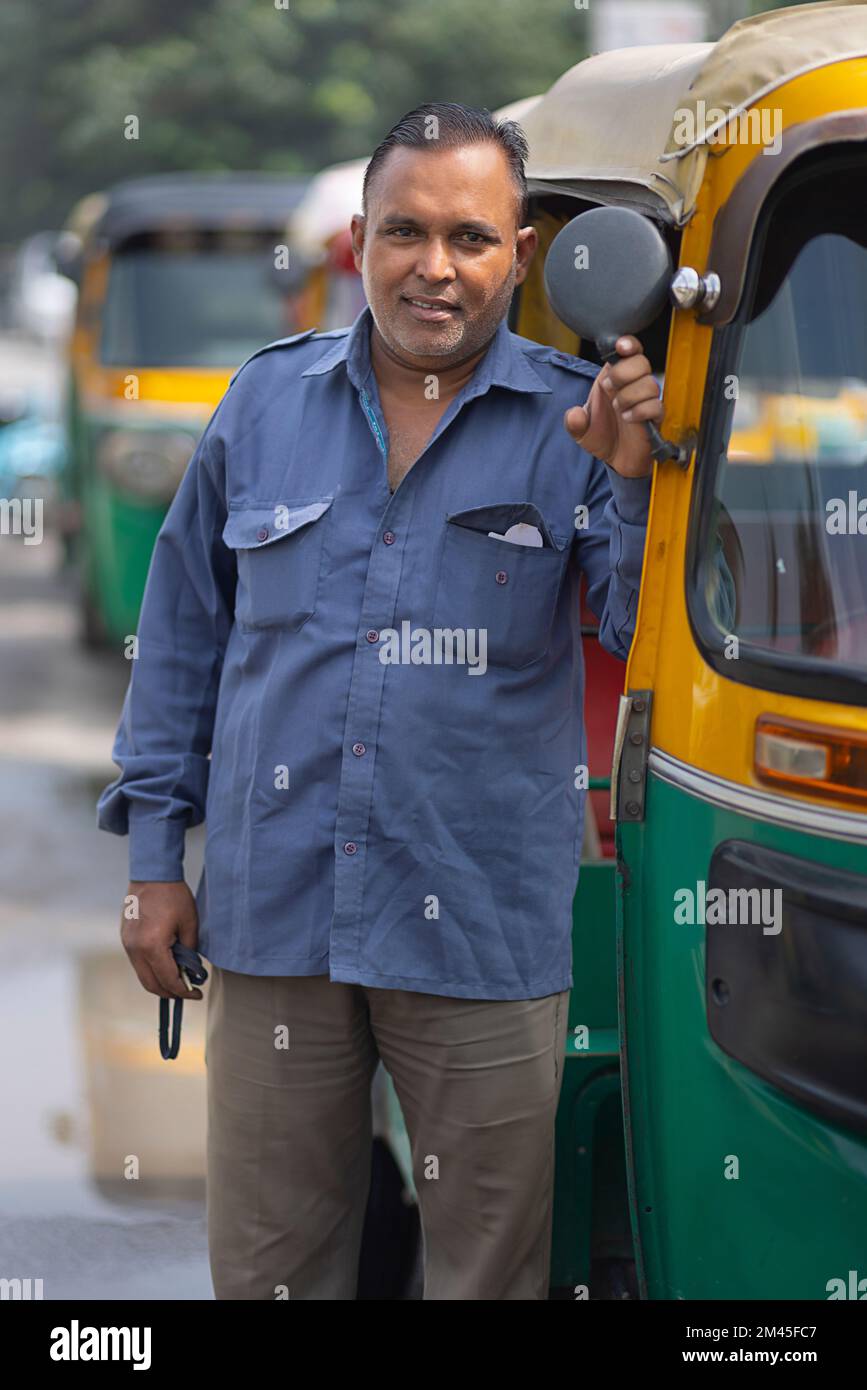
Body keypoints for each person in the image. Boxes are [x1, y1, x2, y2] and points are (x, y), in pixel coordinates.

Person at [97, 102, 663, 1300]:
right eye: (406, 232)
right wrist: (154, 859)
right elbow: (182, 640)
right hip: (273, 912)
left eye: (471, 238)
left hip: (481, 929)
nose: (435, 268)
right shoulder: (262, 405)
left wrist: (626, 483)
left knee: (484, 1274)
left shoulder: (579, 425)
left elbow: (632, 634)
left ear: (519, 254)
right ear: (360, 240)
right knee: (272, 1267)